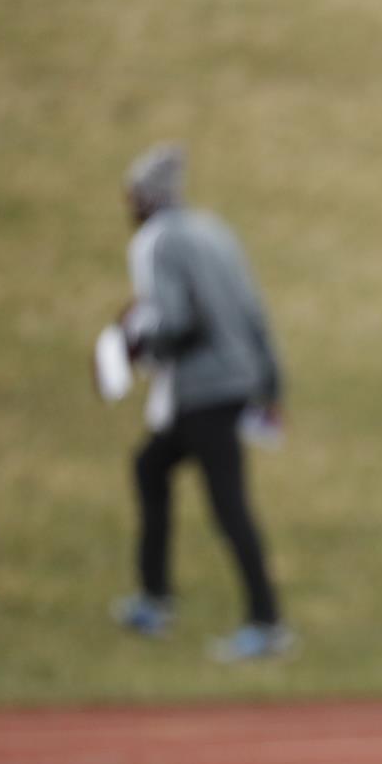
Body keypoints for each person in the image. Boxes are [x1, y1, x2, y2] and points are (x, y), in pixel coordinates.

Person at [109, 143, 293, 663]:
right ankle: (156, 597)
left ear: (145, 198)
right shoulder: (214, 231)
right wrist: (271, 386)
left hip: (201, 389)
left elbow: (171, 319)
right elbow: (253, 309)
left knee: (227, 503)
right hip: (239, 380)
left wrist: (133, 344)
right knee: (151, 467)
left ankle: (264, 621)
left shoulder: (156, 241)